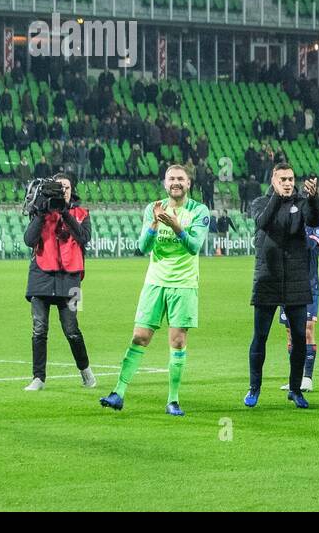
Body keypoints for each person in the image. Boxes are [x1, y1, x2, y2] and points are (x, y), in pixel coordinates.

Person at [100, 165, 210, 415]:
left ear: (188, 183)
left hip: (183, 284)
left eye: (180, 179)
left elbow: (194, 247)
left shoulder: (199, 211)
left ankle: (173, 400)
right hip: (155, 282)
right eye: (171, 178)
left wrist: (175, 226)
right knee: (140, 336)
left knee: (178, 341)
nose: (176, 183)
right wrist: (153, 223)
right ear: (164, 183)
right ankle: (118, 393)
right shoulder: (154, 208)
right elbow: (142, 246)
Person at [242, 164, 319, 409]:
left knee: (299, 338)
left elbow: (315, 219)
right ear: (273, 180)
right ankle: (254, 388)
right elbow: (262, 222)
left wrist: (314, 199)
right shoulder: (261, 202)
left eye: (290, 179)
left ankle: (296, 390)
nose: (288, 183)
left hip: (297, 278)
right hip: (268, 277)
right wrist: (277, 197)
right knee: (261, 336)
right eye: (282, 179)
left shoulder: (302, 200)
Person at [22, 173, 95, 391]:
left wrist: (64, 212)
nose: (63, 190)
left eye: (67, 187)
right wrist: (42, 212)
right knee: (39, 329)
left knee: (72, 329)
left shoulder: (82, 213)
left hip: (71, 279)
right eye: (59, 187)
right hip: (40, 277)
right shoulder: (39, 211)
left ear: (72, 190)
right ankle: (38, 378)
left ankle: (86, 372)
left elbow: (83, 237)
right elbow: (28, 240)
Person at [279, 218, 319, 393]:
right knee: (290, 332)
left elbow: (309, 246)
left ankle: (307, 377)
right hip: (287, 284)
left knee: (307, 329)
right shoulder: (286, 218)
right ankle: (294, 379)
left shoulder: (315, 222)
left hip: (309, 284)